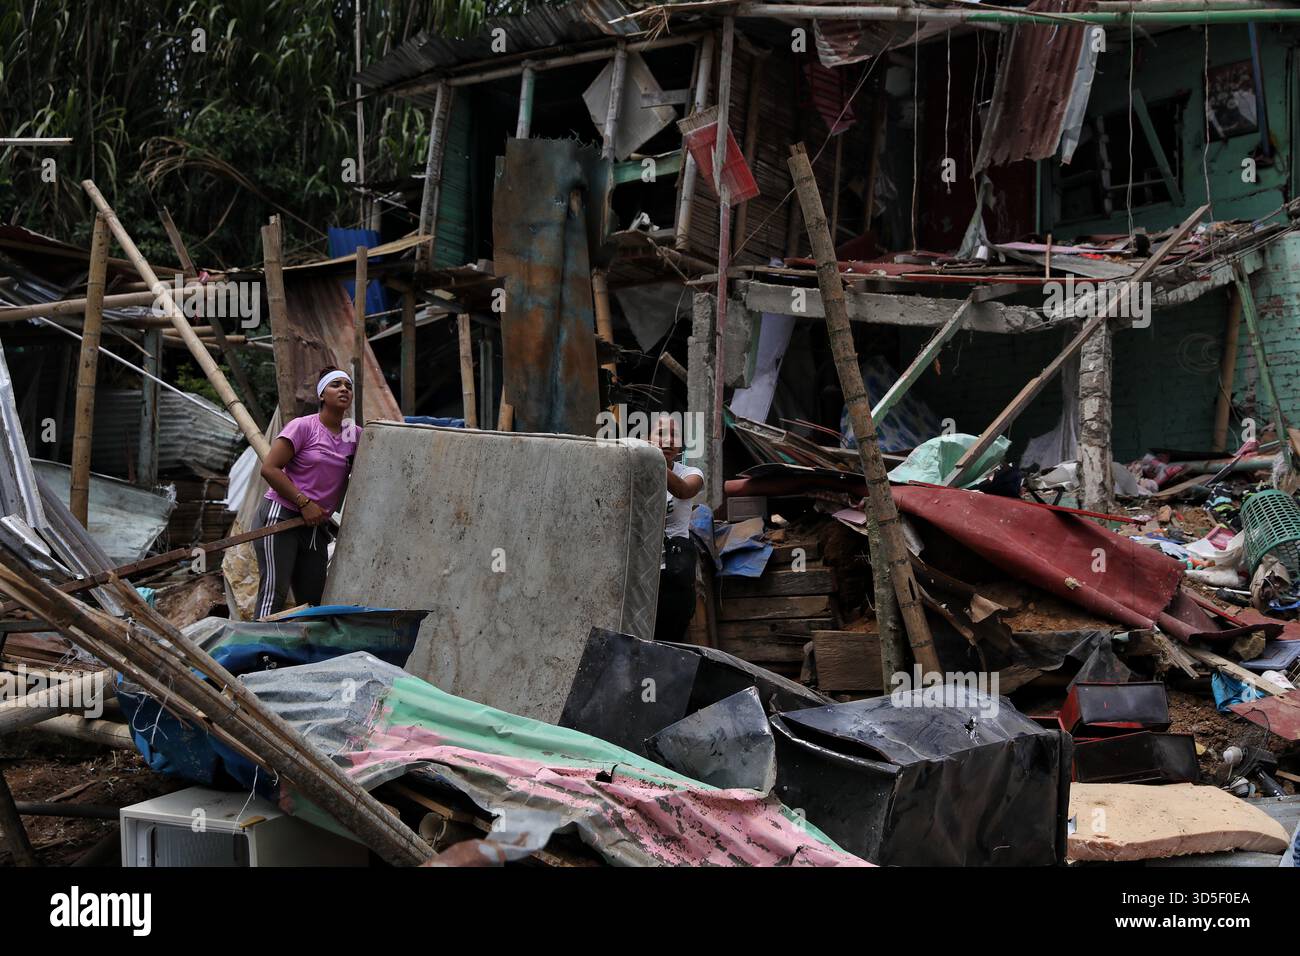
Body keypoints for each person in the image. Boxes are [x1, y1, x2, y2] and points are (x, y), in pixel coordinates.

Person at [253, 366, 360, 618]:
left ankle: (305, 657)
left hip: (316, 527)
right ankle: (258, 654)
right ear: (322, 395)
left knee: (312, 603)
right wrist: (304, 502)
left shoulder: (351, 433)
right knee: (273, 594)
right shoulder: (303, 427)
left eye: (348, 385)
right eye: (336, 384)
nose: (344, 388)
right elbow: (269, 469)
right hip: (282, 517)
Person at [650, 414, 704, 642]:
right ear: (648, 438)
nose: (668, 440)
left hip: (674, 574)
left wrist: (651, 460)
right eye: (661, 434)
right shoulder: (634, 473)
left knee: (669, 642)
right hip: (641, 574)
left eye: (674, 435)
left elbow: (682, 490)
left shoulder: (691, 474)